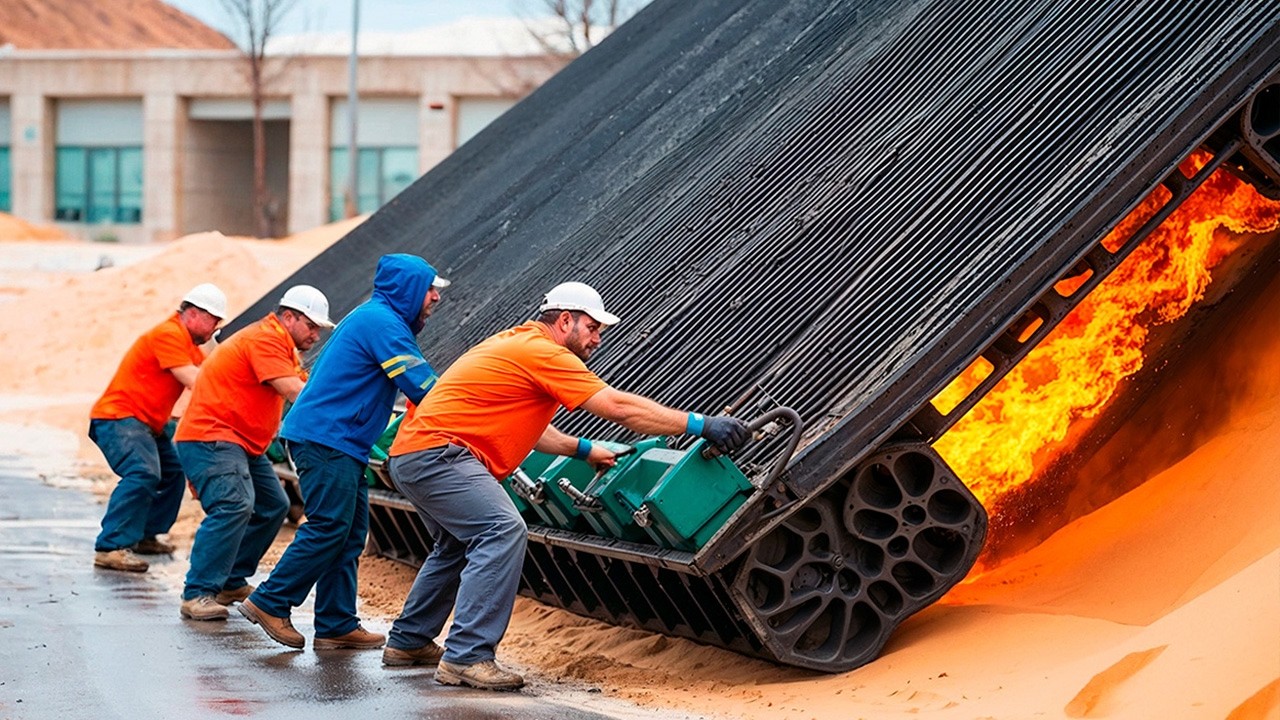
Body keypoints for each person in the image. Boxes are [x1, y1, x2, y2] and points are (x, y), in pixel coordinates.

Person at [382, 281, 750, 691]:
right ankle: (467, 656)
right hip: (441, 457)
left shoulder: (518, 345)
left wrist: (588, 450)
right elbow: (616, 406)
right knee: (502, 530)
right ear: (564, 320)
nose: (597, 338)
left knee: (454, 545)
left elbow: (539, 435)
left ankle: (409, 641)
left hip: (414, 455)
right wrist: (702, 424)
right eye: (592, 328)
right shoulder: (545, 352)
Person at [239, 254, 449, 650]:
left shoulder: (379, 319)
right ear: (408, 288)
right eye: (429, 289)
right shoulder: (382, 322)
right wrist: (475, 402)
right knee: (329, 525)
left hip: (339, 439)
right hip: (327, 438)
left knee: (350, 532)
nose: (435, 298)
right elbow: (423, 385)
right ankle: (270, 601)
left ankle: (336, 623)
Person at [174, 285, 335, 621]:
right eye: (312, 326)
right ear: (289, 317)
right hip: (213, 435)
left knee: (273, 506)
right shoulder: (266, 339)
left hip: (241, 441)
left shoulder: (283, 345)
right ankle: (198, 591)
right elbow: (294, 390)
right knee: (233, 504)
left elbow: (301, 384)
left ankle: (231, 579)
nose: (316, 335)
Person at [90, 283, 226, 572]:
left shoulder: (189, 343)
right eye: (214, 320)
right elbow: (195, 379)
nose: (215, 328)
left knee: (173, 471)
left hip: (147, 422)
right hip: (118, 418)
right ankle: (111, 546)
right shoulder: (169, 334)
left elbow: (205, 377)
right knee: (142, 472)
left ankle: (144, 535)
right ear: (193, 314)